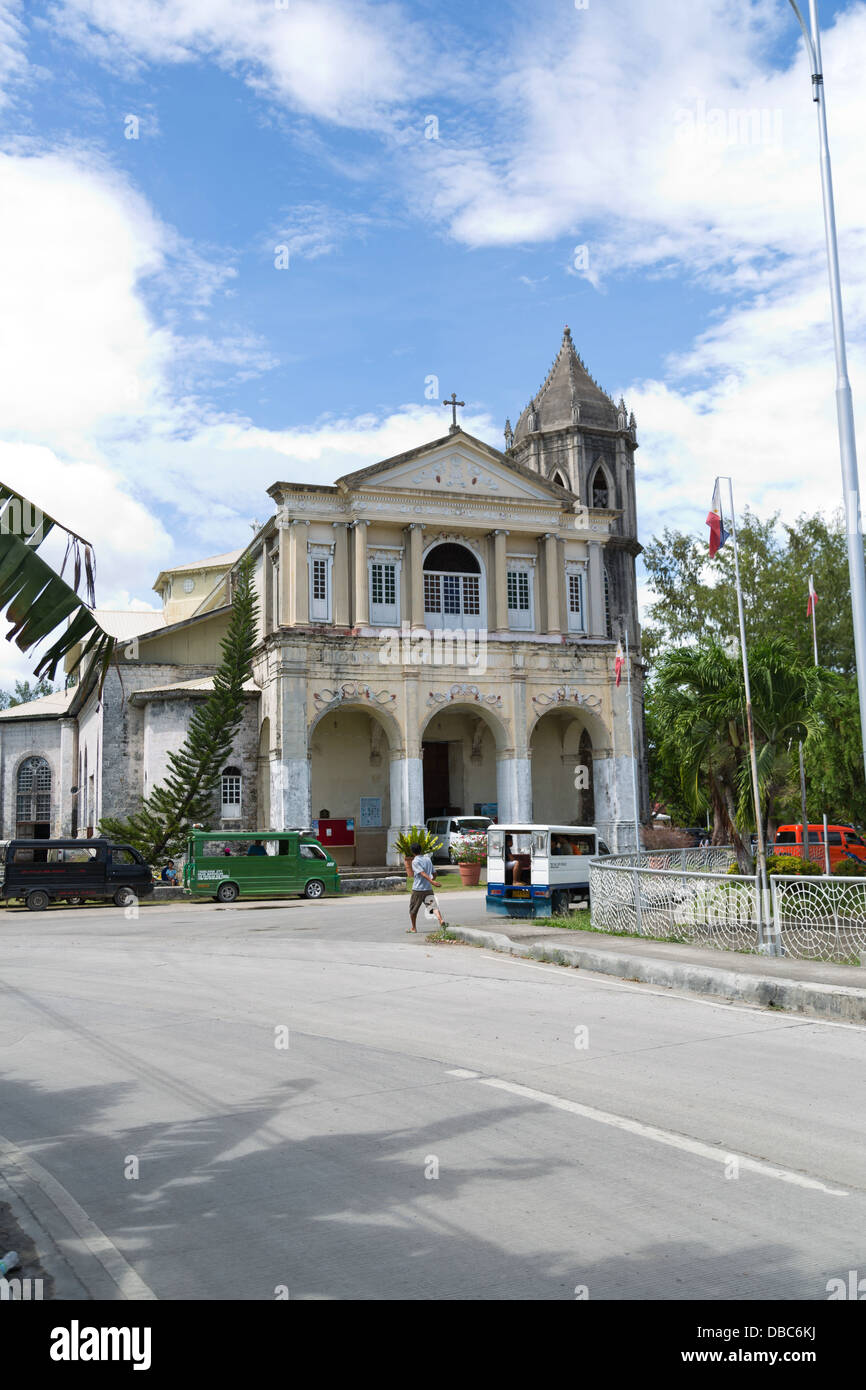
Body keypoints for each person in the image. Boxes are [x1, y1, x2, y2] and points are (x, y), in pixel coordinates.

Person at [408, 845, 447, 933]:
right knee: (433, 907)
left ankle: (413, 928)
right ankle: (440, 920)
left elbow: (422, 873)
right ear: (421, 850)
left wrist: (432, 882)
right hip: (428, 889)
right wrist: (432, 880)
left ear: (412, 852)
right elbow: (434, 873)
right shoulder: (427, 859)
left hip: (418, 889)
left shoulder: (415, 861)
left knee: (413, 910)